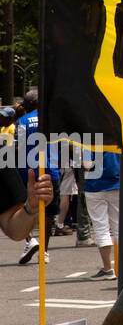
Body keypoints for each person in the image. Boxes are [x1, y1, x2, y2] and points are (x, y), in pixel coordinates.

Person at [15, 92, 59, 265]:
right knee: (48, 212)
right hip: (50, 169)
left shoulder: (23, 121)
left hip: (27, 171)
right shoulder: (51, 119)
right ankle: (45, 251)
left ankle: (30, 240)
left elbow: (18, 146)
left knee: (22, 206)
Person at [82, 147, 121, 279]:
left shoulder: (89, 140)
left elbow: (86, 165)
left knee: (101, 228)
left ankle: (107, 268)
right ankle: (122, 267)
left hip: (94, 186)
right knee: (118, 228)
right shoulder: (116, 138)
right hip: (117, 183)